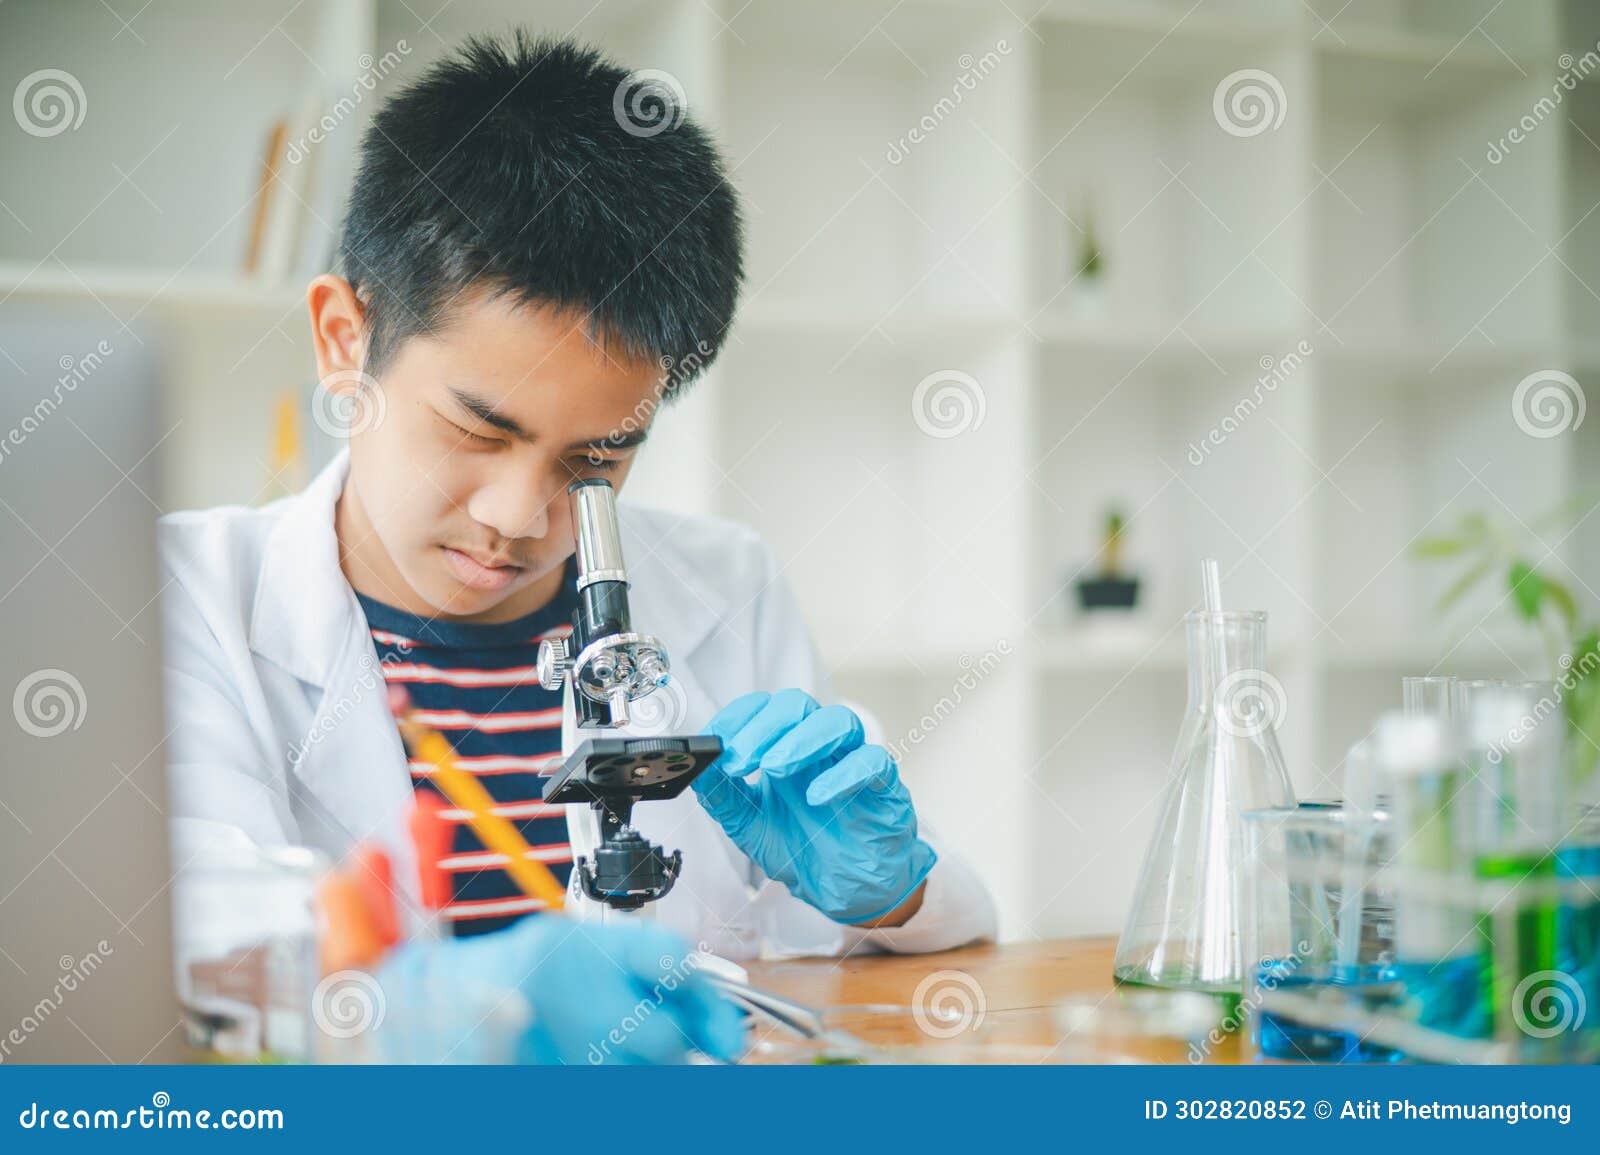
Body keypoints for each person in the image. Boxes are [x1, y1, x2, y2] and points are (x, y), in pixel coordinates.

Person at [160, 32, 996, 1065]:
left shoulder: (726, 589)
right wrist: (397, 1010)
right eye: (476, 430)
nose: (518, 515)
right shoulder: (188, 596)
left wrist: (890, 889)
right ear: (344, 340)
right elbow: (178, 930)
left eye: (597, 455)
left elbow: (812, 980)